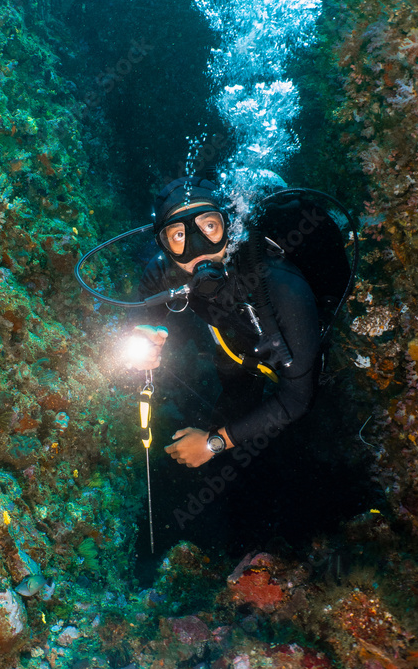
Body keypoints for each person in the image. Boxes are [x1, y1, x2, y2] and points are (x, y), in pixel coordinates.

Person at [129, 175, 338, 470]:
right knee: (229, 438)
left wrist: (211, 443)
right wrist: (145, 333)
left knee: (307, 439)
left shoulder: (279, 282)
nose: (198, 247)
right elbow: (144, 308)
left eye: (209, 226)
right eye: (178, 236)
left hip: (298, 361)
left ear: (229, 226)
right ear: (164, 246)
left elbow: (298, 399)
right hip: (236, 355)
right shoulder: (165, 270)